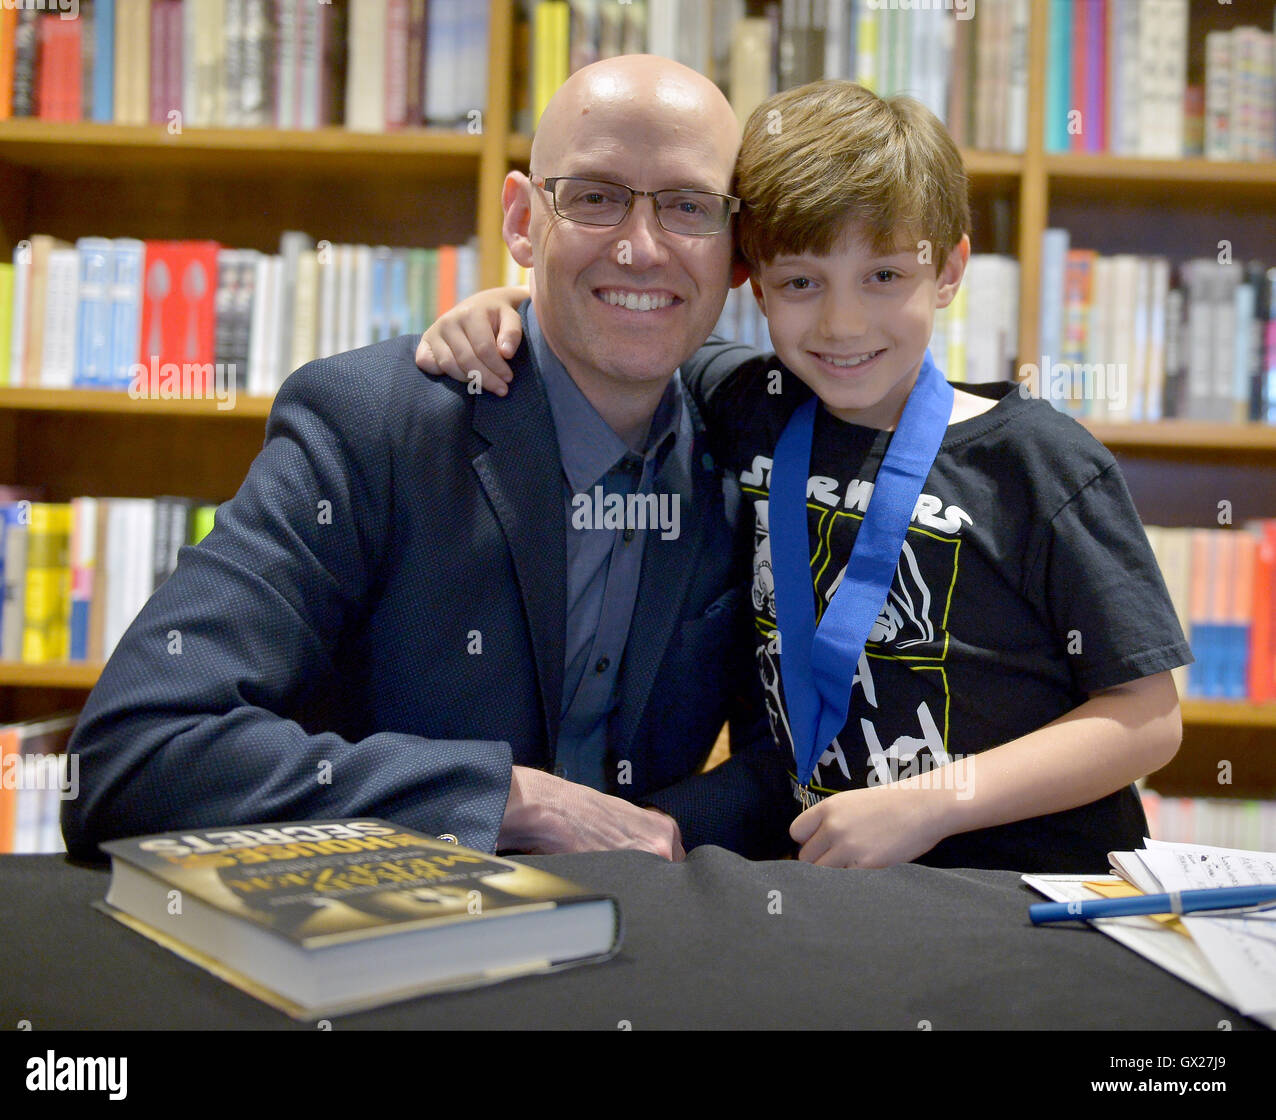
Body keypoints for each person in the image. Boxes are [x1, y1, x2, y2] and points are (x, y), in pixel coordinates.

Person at [417, 79, 1191, 872]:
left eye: (885, 276)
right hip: (829, 884)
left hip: (1032, 890)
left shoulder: (1037, 461)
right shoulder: (752, 403)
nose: (842, 323)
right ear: (750, 280)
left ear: (950, 269)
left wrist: (932, 803)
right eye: (801, 283)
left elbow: (1149, 717)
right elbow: (619, 331)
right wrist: (506, 303)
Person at [61, 55, 797, 863]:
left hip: (632, 952)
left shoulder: (751, 456)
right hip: (373, 951)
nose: (641, 249)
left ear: (738, 253)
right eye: (595, 197)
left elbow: (781, 766)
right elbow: (131, 754)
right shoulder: (367, 425)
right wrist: (508, 801)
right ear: (522, 220)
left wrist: (654, 834)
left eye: (688, 207)